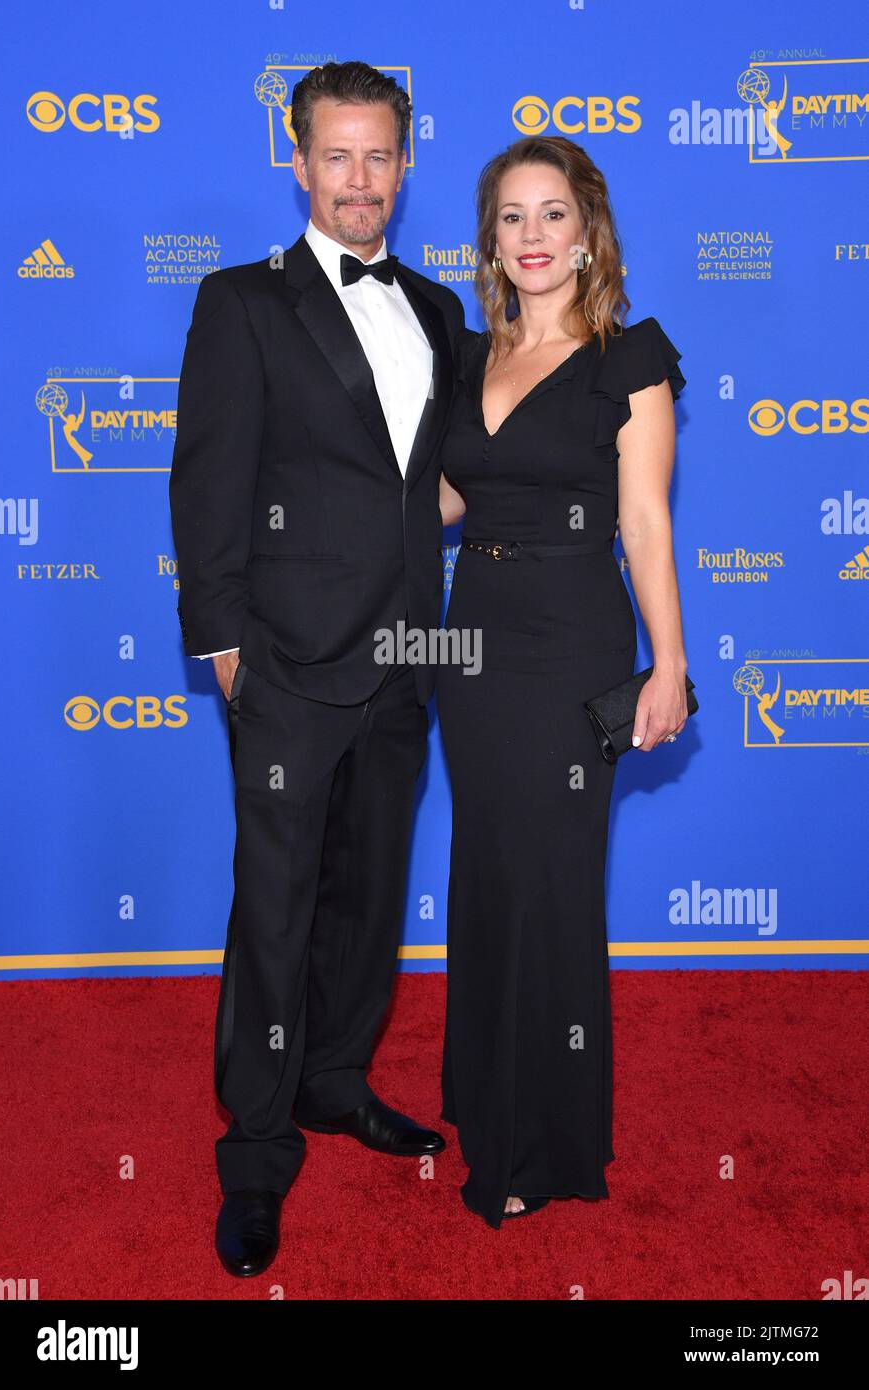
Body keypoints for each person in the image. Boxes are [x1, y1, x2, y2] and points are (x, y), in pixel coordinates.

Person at [169, 61, 464, 1276]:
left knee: (370, 894)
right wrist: (229, 652)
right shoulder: (242, 302)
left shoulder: (441, 308)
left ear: (404, 160)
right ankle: (256, 1153)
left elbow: (441, 477)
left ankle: (337, 1081)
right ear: (297, 161)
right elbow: (207, 484)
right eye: (335, 156)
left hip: (406, 658)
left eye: (378, 156)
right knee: (276, 910)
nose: (359, 180)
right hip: (287, 665)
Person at [435, 135, 690, 1228]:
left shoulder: (627, 358)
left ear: (588, 234)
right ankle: (486, 1103)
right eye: (511, 218)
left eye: (552, 215)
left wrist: (668, 664)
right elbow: (445, 505)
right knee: (489, 876)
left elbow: (643, 521)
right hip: (472, 647)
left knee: (549, 889)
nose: (531, 236)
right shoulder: (472, 356)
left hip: (569, 642)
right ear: (489, 240)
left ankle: (543, 1142)